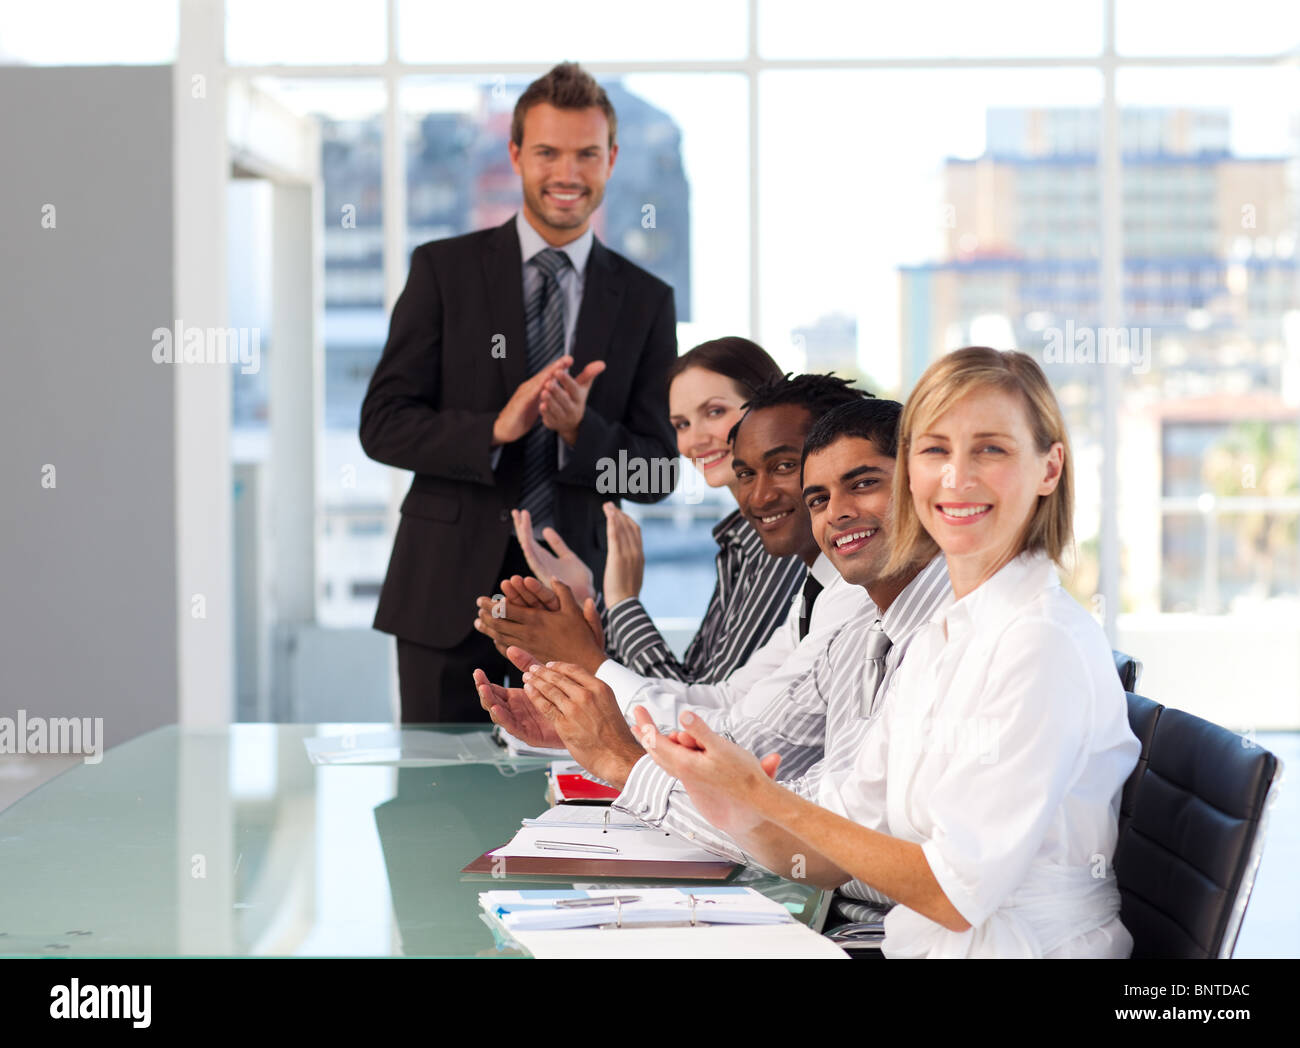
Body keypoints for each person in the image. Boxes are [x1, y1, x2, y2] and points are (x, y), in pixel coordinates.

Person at [625, 347, 1142, 958]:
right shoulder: (943, 636)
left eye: (991, 449)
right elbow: (829, 850)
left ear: (1049, 469)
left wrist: (758, 795)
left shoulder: (1039, 643)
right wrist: (728, 799)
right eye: (934, 451)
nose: (956, 477)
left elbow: (953, 892)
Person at [501, 399, 951, 910]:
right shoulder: (856, 625)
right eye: (819, 498)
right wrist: (598, 736)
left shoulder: (953, 634)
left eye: (863, 483)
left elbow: (835, 842)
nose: (838, 511)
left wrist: (622, 754)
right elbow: (743, 740)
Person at [359, 62, 678, 723]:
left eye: (586, 153)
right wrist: (495, 429)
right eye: (548, 152)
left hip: (575, 607)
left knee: (571, 806)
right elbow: (382, 424)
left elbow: (657, 470)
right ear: (515, 155)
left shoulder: (647, 301)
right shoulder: (442, 271)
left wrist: (579, 433)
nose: (568, 172)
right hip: (444, 597)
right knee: (434, 800)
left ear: (612, 159)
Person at [500, 337, 805, 685]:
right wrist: (590, 598)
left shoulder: (786, 541)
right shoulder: (740, 539)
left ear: (770, 406)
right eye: (681, 425)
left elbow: (696, 711)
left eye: (715, 412)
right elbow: (687, 687)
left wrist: (623, 602)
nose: (695, 440)